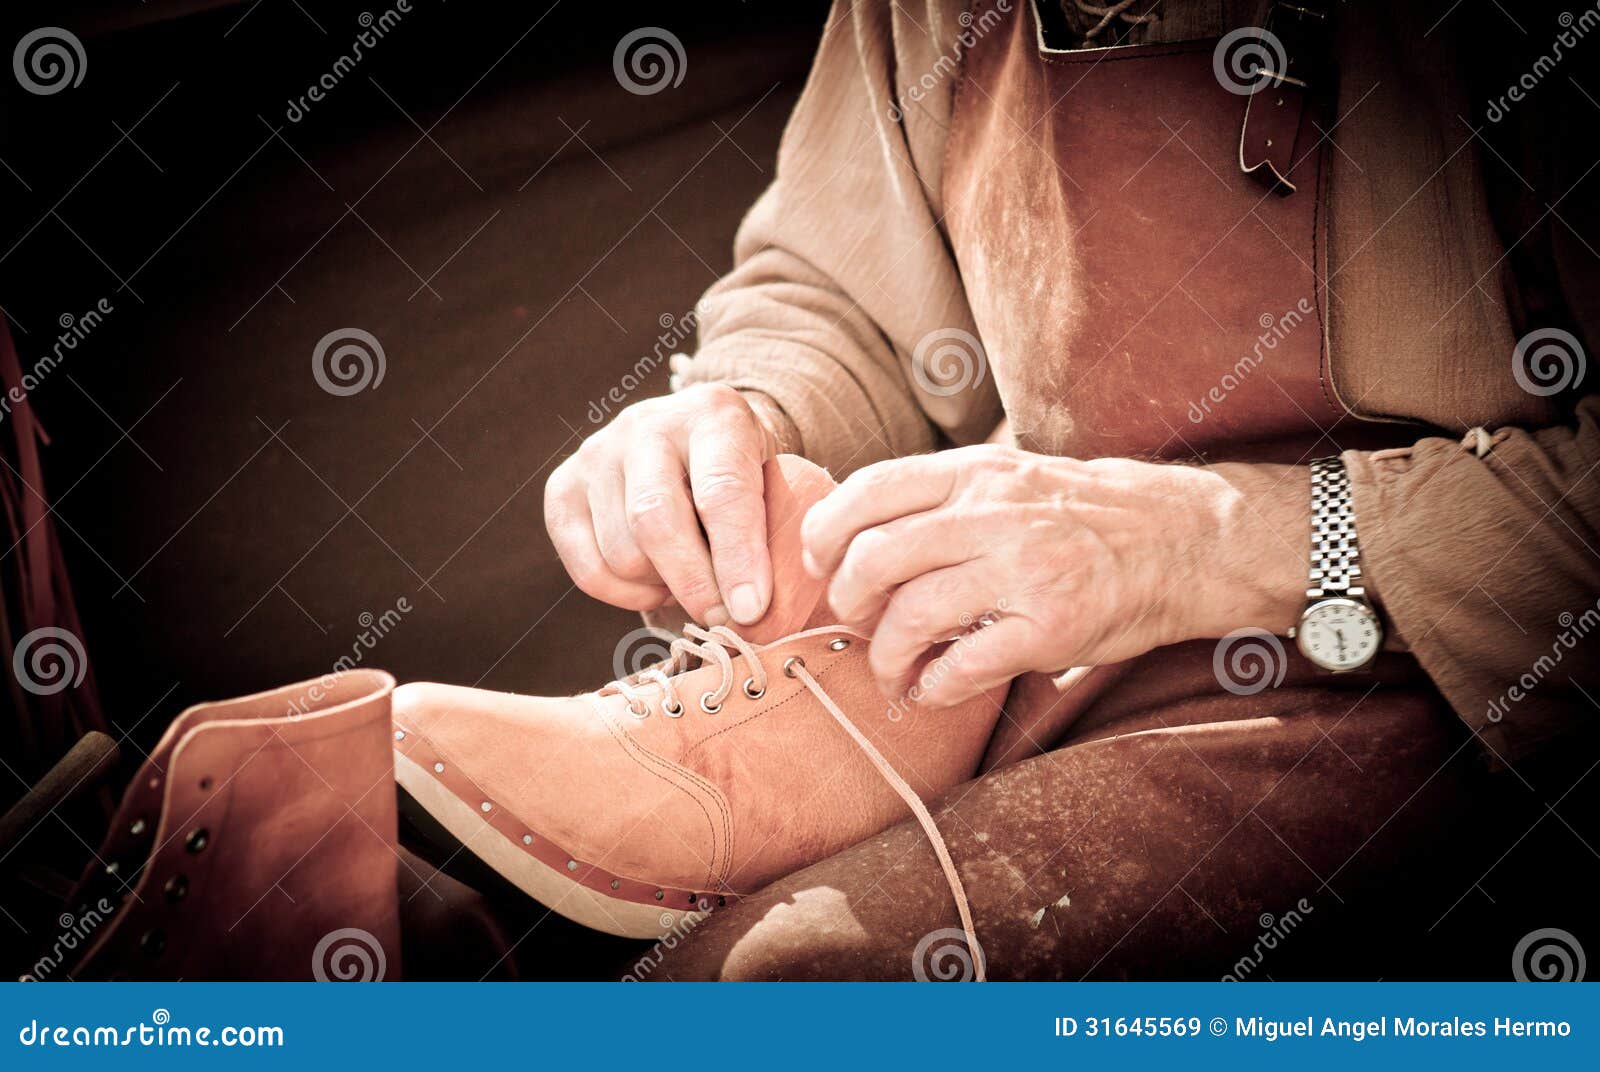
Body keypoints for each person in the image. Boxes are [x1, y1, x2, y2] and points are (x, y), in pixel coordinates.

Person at [530, 0, 1598, 979]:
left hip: (1413, 668)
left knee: (787, 983)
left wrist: (1204, 544)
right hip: (1027, 619)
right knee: (478, 914)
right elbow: (845, 294)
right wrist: (746, 411)